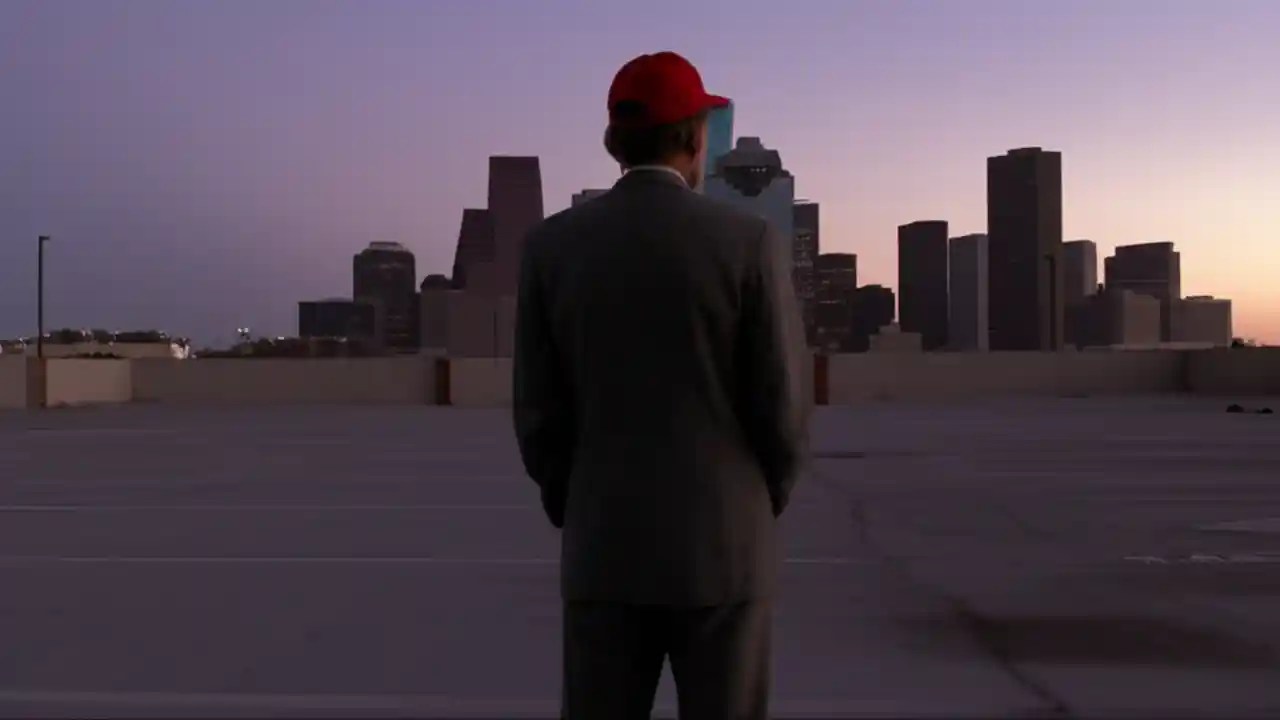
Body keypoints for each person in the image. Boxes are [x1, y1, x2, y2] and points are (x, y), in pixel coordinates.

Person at [512, 51, 810, 719]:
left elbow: (537, 413)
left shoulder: (553, 248)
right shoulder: (747, 241)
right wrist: (757, 502)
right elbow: (783, 408)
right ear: (695, 137)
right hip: (724, 552)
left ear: (616, 142)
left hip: (603, 547)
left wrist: (577, 500)